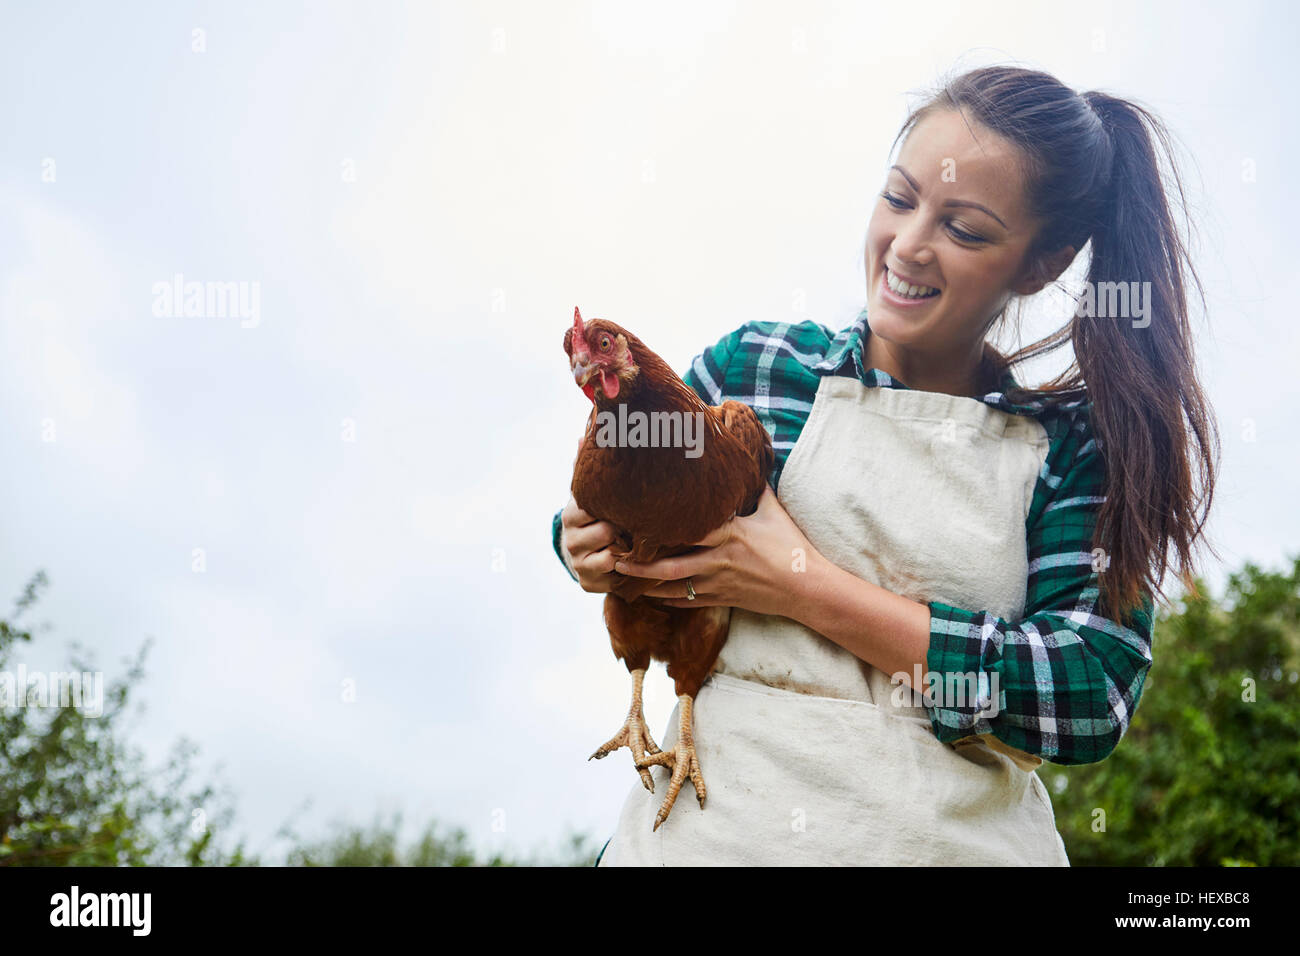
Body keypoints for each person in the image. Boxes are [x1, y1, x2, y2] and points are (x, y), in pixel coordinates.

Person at [553, 65, 1220, 866]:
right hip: (716, 836)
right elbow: (602, 506)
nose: (909, 245)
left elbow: (1088, 693)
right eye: (900, 199)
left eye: (965, 230)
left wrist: (801, 586)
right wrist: (577, 540)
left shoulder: (1072, 450)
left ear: (1041, 264)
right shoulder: (761, 370)